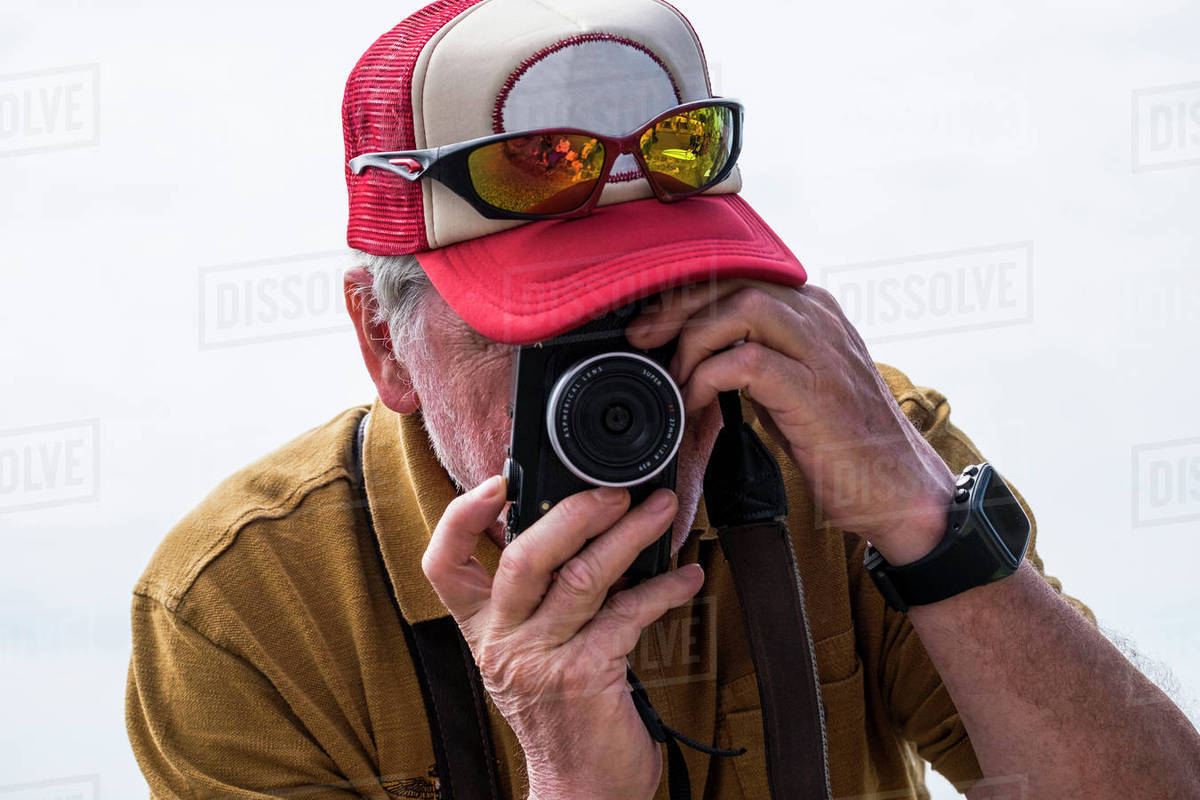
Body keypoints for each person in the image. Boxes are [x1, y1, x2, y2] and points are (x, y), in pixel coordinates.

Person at [125, 1, 1200, 799]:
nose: (634, 398)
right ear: (383, 343)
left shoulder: (849, 454)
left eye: (670, 313)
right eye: (547, 336)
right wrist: (570, 769)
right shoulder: (244, 609)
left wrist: (934, 528)